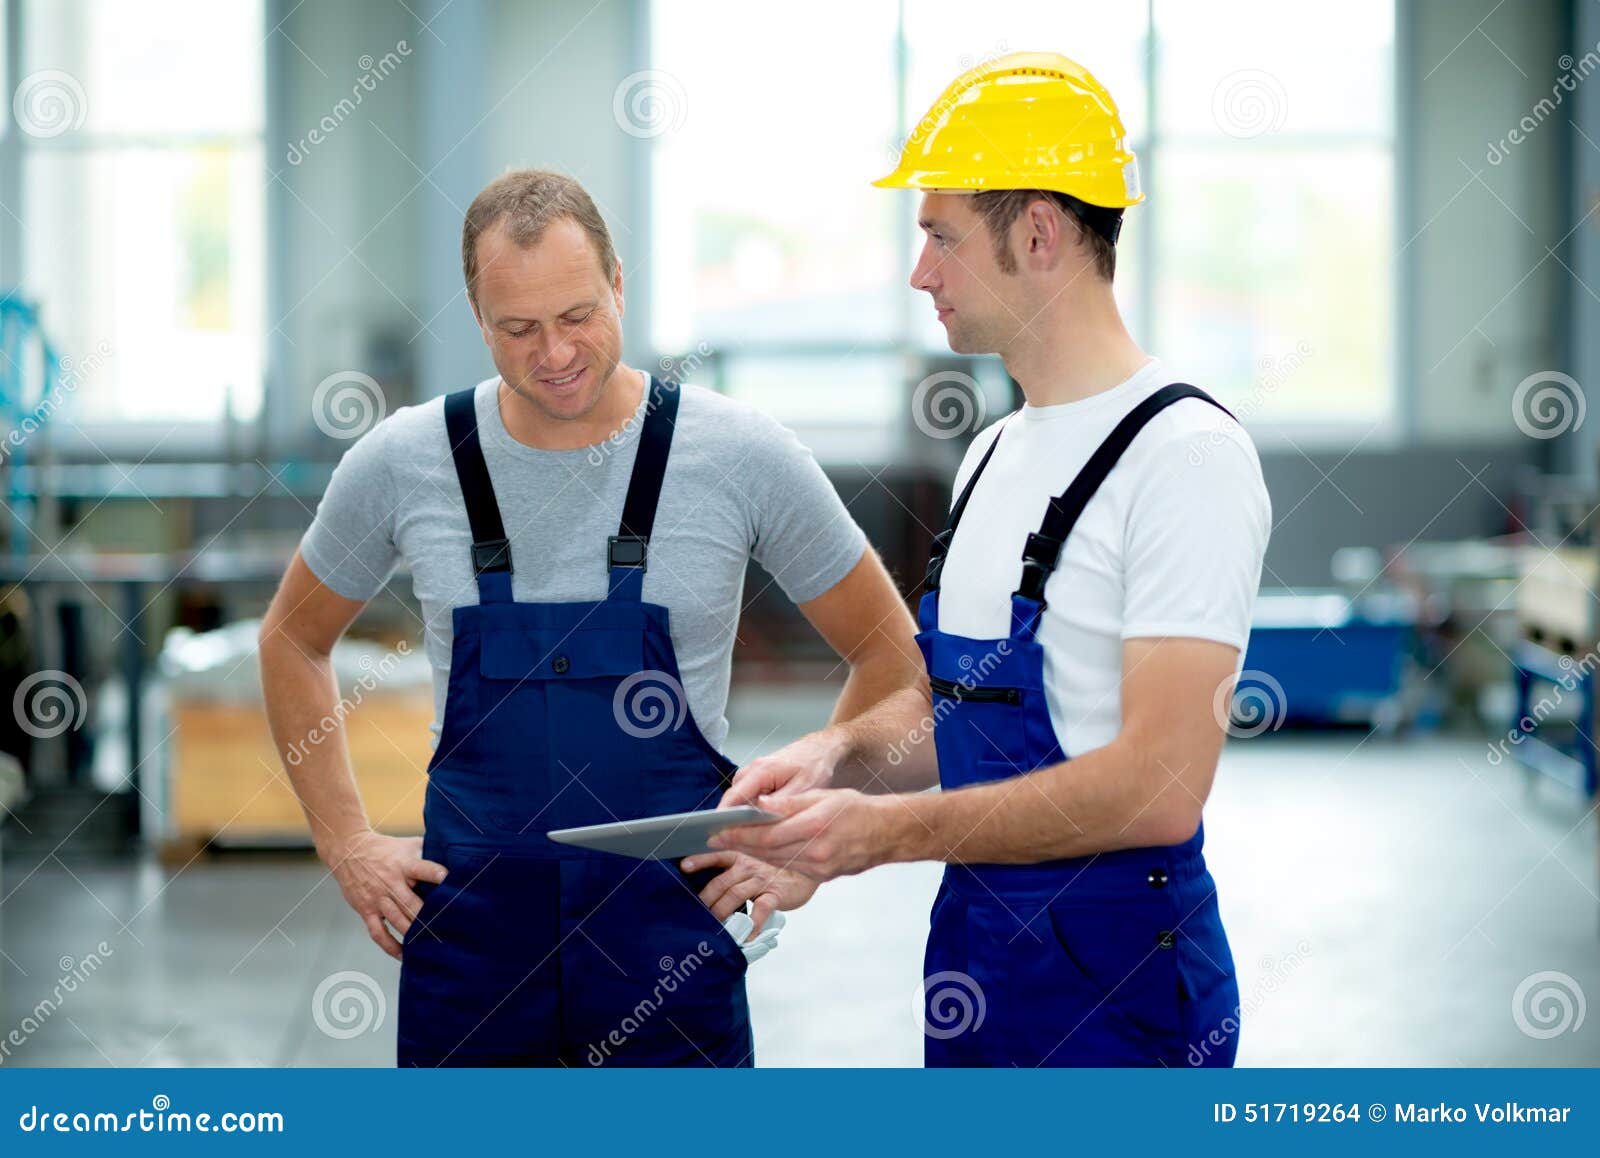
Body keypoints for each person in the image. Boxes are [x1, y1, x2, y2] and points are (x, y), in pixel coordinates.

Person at [259, 169, 922, 1067]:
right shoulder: (405, 461)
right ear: (476, 313)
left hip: (672, 945)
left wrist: (800, 840)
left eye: (577, 316)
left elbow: (898, 663)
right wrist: (345, 843)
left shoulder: (739, 454)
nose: (555, 354)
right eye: (518, 329)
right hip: (473, 962)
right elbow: (292, 639)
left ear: (619, 282)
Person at [714, 52, 1271, 1068]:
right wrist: (834, 764)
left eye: (939, 236)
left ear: (1039, 233)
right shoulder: (991, 454)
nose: (920, 271)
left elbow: (1157, 786)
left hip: (1120, 987)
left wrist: (881, 836)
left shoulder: (1184, 458)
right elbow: (954, 715)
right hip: (977, 958)